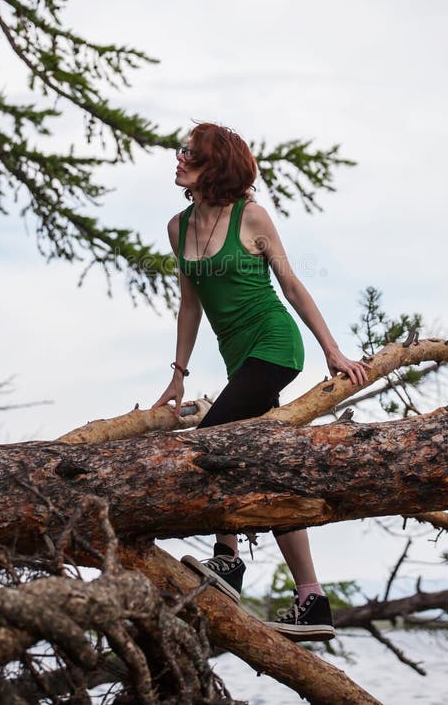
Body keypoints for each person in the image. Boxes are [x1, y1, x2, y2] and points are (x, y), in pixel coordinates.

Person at [153, 122, 369, 641]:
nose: (178, 159)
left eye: (190, 153)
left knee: (215, 445)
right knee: (266, 474)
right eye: (182, 152)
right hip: (237, 361)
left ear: (215, 165)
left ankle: (226, 561)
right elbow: (190, 304)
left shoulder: (251, 217)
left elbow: (290, 284)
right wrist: (177, 376)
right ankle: (312, 600)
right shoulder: (176, 228)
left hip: (275, 346)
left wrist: (332, 350)